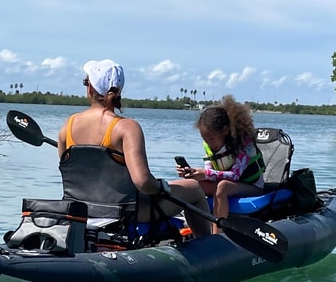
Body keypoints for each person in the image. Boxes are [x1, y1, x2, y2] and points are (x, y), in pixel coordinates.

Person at [57, 59, 211, 237]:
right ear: (119, 91)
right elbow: (143, 182)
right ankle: (207, 250)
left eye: (86, 82)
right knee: (194, 188)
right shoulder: (126, 127)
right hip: (126, 212)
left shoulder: (67, 126)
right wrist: (161, 187)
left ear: (90, 88)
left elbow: (70, 172)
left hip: (80, 210)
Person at [170, 95, 265, 234]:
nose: (208, 143)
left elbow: (235, 175)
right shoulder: (209, 145)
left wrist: (205, 174)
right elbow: (209, 169)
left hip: (252, 187)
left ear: (225, 131)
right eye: (205, 139)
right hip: (228, 184)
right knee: (192, 185)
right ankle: (195, 229)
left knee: (222, 187)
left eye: (211, 138)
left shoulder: (244, 143)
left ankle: (217, 234)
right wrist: (192, 174)